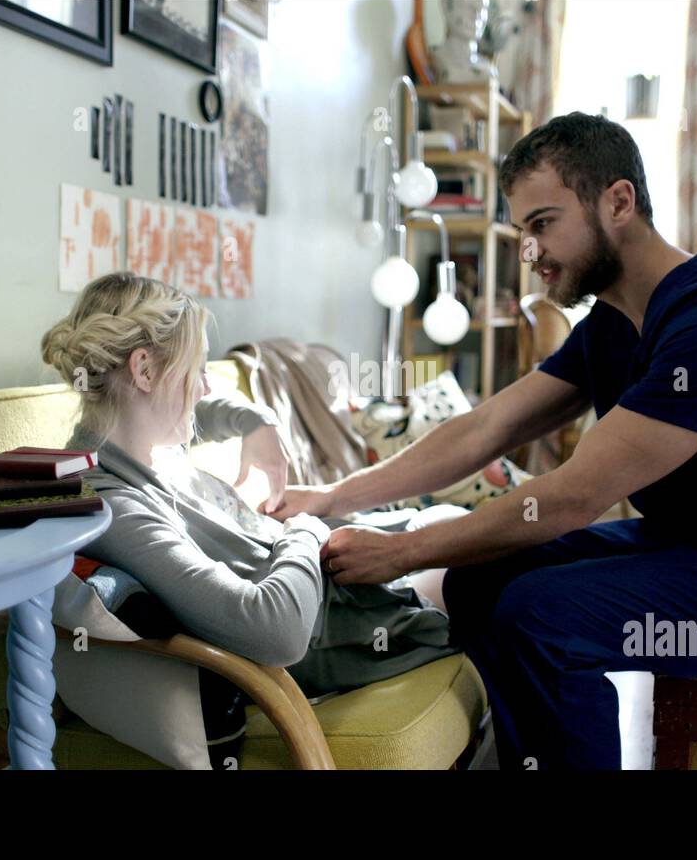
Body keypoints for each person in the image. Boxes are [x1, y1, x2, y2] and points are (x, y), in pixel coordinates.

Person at [266, 112, 697, 770]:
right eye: (521, 231)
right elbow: (485, 427)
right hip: (695, 546)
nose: (529, 252)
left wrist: (404, 551)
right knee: (477, 584)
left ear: (618, 202)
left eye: (542, 224)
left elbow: (573, 496)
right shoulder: (612, 325)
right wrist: (333, 495)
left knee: (542, 613)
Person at [40, 272, 458, 765]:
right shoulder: (117, 504)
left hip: (332, 568)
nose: (204, 386)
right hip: (342, 614)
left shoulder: (142, 439)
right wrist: (304, 527)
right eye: (196, 368)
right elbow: (273, 631)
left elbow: (214, 407)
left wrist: (259, 423)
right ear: (145, 371)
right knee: (504, 566)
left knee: (464, 525)